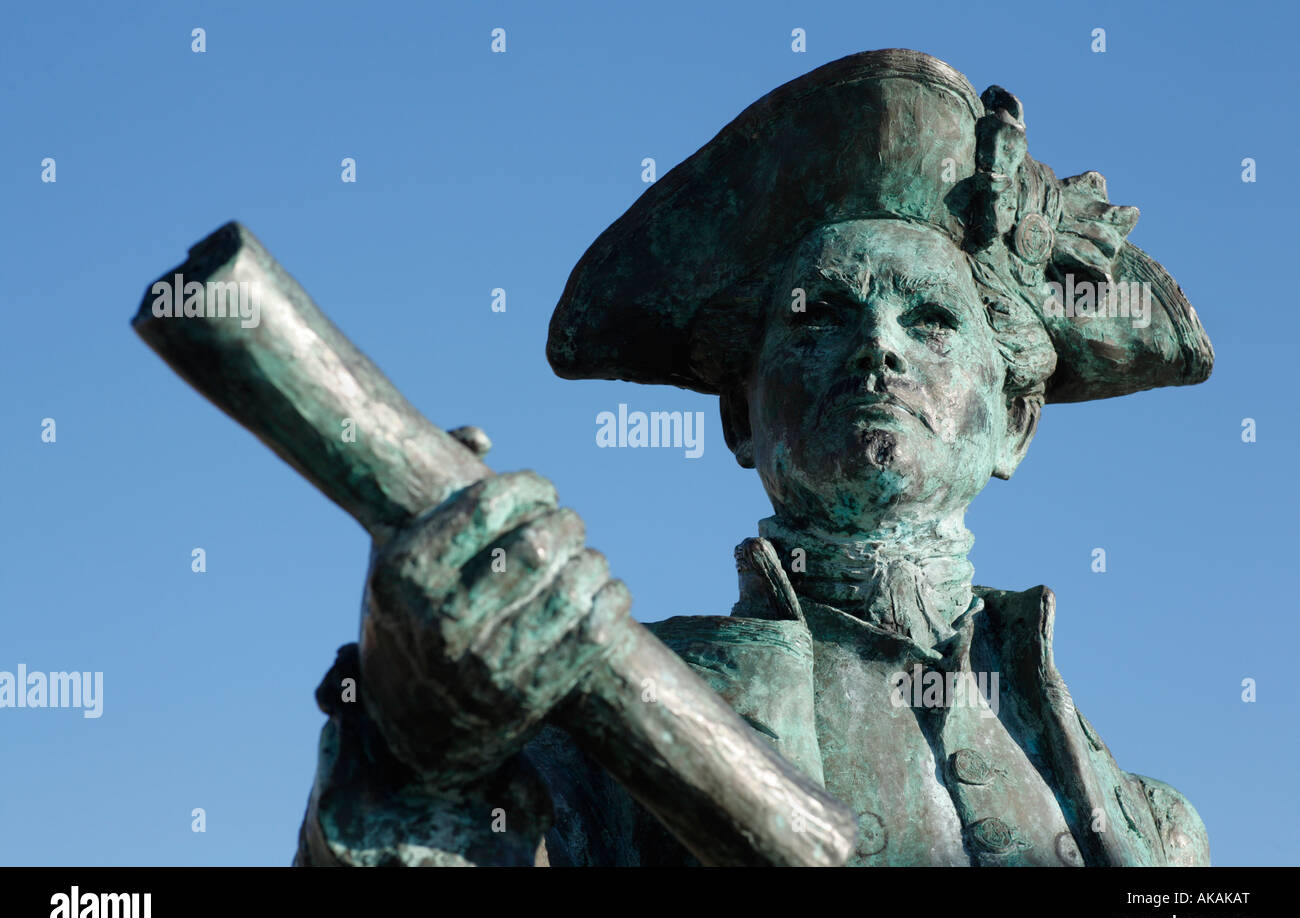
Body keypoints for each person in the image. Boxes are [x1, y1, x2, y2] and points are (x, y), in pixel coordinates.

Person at [295, 49, 1213, 867]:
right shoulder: (600, 732)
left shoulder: (1152, 832)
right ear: (739, 413)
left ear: (1016, 420)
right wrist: (425, 744)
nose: (879, 351)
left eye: (930, 320)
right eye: (821, 317)